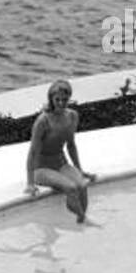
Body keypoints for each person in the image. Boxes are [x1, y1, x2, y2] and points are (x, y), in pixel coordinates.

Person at [26, 79, 97, 222]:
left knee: (82, 185)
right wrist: (30, 183)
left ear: (69, 99)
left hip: (61, 164)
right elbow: (33, 152)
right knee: (71, 188)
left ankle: (81, 221)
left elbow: (71, 145)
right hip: (41, 169)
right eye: (57, 99)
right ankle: (82, 218)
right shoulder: (43, 121)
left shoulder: (72, 116)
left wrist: (80, 170)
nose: (61, 103)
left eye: (64, 100)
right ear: (51, 99)